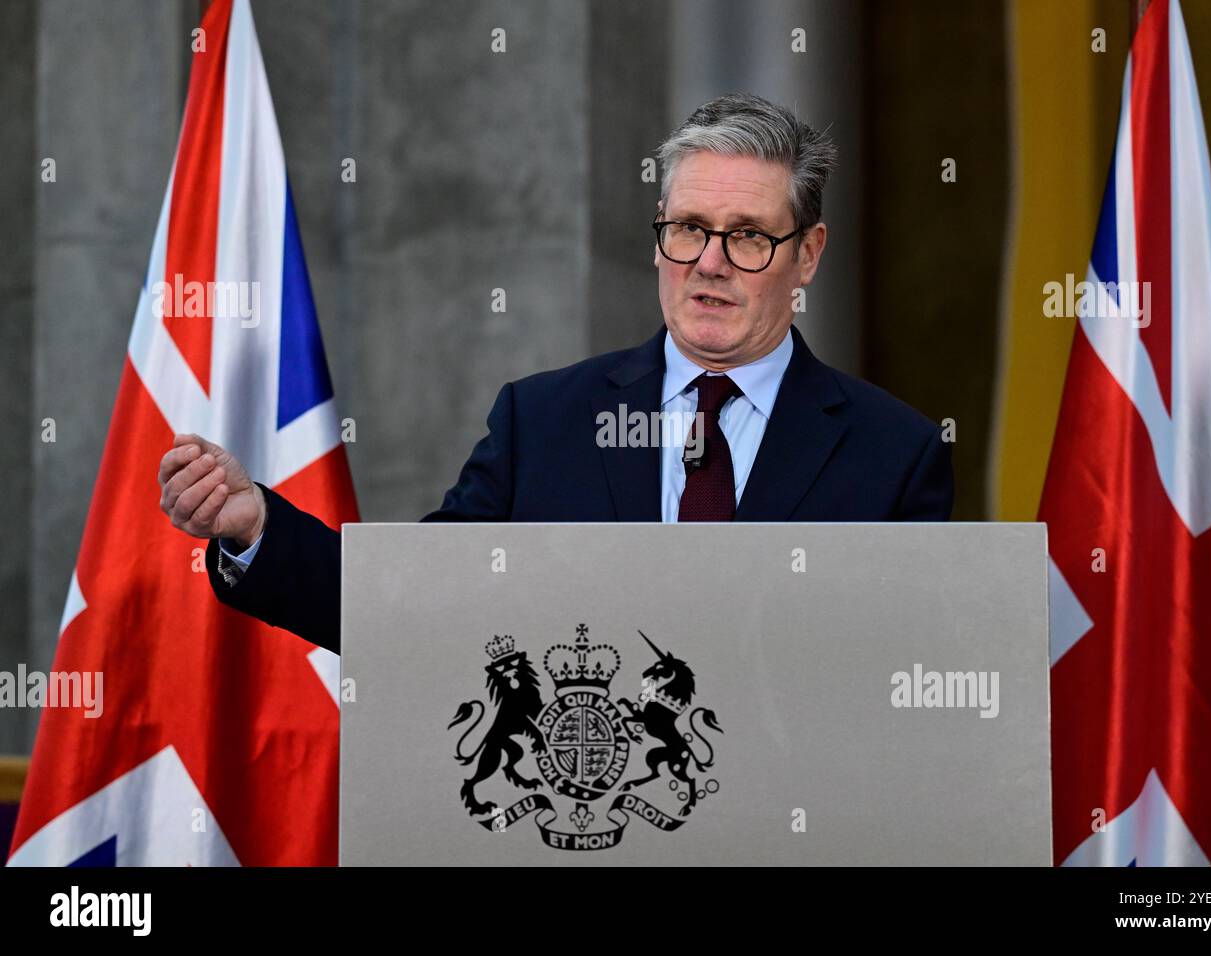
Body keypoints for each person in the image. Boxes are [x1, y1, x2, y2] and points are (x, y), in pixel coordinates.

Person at [157, 92, 954, 654]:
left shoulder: (894, 454)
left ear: (807, 255)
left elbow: (912, 683)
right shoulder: (542, 423)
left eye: (747, 236)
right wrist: (258, 525)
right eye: (688, 229)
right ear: (658, 237)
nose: (708, 264)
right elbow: (413, 607)